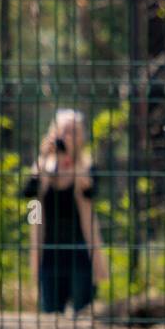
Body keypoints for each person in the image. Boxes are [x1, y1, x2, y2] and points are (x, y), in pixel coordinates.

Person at [24, 109, 107, 314]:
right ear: (54, 133)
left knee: (83, 312)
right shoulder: (43, 165)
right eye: (64, 131)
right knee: (50, 312)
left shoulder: (87, 166)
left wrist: (73, 161)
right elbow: (28, 193)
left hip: (80, 249)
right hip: (49, 250)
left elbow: (90, 191)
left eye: (73, 131)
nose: (67, 136)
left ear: (81, 137)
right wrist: (44, 158)